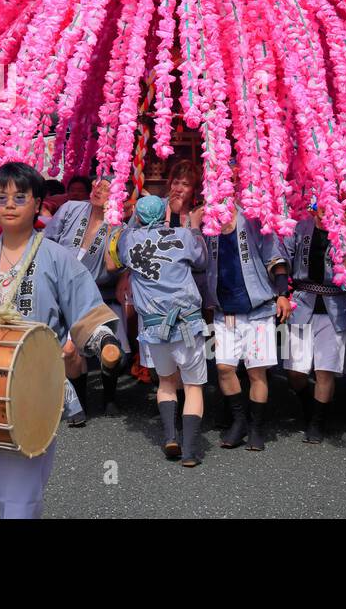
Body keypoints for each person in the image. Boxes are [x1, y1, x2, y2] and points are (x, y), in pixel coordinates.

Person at [0, 161, 121, 518]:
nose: (9, 204)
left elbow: (87, 311)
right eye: (1, 196)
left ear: (38, 203)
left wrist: (104, 343)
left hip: (32, 392)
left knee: (18, 496)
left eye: (20, 197)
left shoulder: (58, 258)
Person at [107, 195, 206, 463]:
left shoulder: (129, 239)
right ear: (164, 215)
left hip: (153, 328)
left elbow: (116, 246)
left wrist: (129, 219)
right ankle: (189, 449)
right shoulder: (183, 235)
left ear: (138, 217)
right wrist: (194, 227)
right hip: (188, 323)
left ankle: (170, 436)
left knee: (165, 382)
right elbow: (201, 261)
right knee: (193, 386)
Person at [202, 204, 290, 453]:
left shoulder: (253, 216)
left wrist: (283, 293)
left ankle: (256, 427)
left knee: (256, 373)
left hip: (258, 311)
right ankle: (239, 420)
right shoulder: (207, 220)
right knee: (224, 368)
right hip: (224, 311)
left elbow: (275, 258)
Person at [283, 205, 346, 444]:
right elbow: (284, 259)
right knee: (294, 372)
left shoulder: (345, 231)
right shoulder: (300, 228)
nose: (324, 211)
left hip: (335, 305)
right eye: (319, 206)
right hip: (302, 301)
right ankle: (310, 405)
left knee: (324, 370)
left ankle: (317, 421)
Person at [45, 174, 123, 421]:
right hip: (62, 291)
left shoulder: (119, 224)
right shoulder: (71, 209)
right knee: (68, 351)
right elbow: (47, 240)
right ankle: (79, 403)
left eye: (106, 188)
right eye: (96, 184)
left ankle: (109, 397)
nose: (97, 190)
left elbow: (115, 267)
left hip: (97, 295)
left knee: (107, 350)